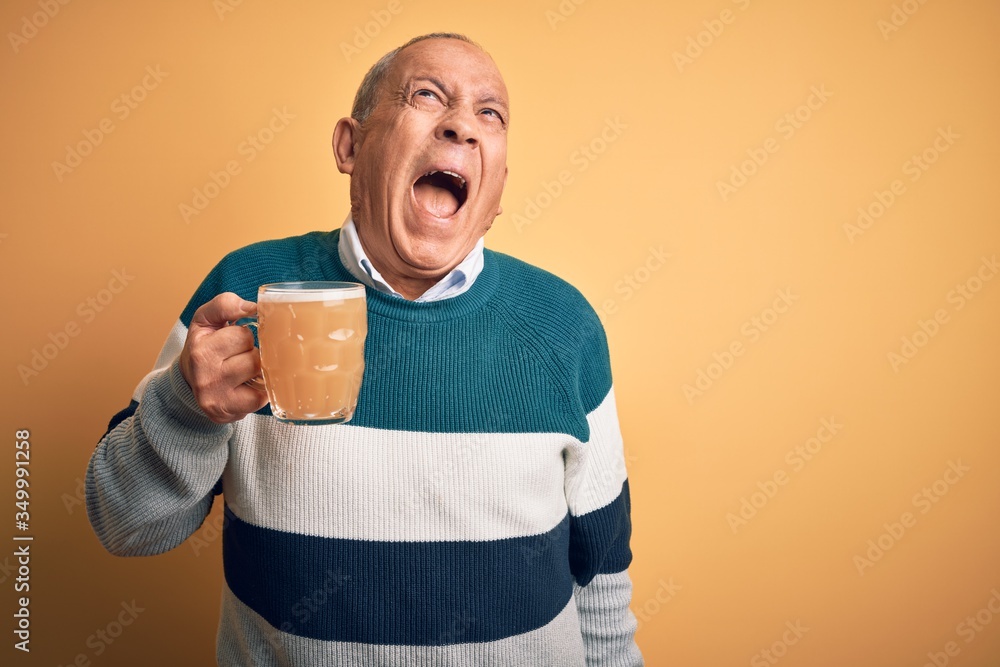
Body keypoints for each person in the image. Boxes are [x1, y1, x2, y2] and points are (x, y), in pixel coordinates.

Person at [86, 33, 642, 666]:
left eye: (489, 113)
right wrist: (185, 410)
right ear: (350, 146)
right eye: (427, 96)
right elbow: (124, 524)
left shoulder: (562, 324)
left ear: (499, 182)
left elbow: (601, 583)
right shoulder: (243, 296)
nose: (462, 124)